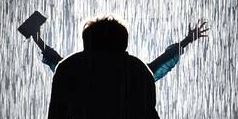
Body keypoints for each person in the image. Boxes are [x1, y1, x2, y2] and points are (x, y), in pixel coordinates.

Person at [34, 20, 208, 80]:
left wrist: (39, 41)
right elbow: (161, 61)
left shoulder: (82, 72)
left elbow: (60, 64)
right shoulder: (133, 70)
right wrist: (186, 41)